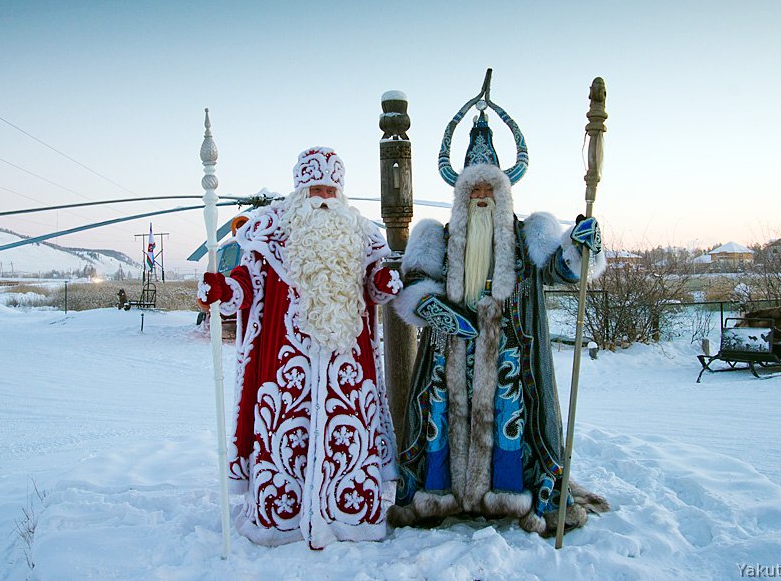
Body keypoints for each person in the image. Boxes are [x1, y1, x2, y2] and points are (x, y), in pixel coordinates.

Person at [389, 108, 609, 536]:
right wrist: (441, 311)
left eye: (490, 187)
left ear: (505, 192)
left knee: (510, 420)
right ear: (462, 195)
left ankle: (509, 496)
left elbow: (562, 272)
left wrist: (583, 246)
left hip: (511, 353)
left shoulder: (530, 234)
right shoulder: (437, 236)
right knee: (442, 419)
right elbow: (414, 287)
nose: (482, 194)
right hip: (448, 354)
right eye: (474, 189)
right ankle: (441, 495)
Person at [197, 147, 403, 549]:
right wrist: (222, 290)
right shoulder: (268, 231)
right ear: (299, 190)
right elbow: (245, 284)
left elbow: (374, 285)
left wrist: (384, 284)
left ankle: (349, 520)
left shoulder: (361, 234)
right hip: (285, 370)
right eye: (315, 189)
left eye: (331, 190)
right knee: (284, 435)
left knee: (348, 440)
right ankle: (282, 521)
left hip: (347, 372)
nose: (323, 198)